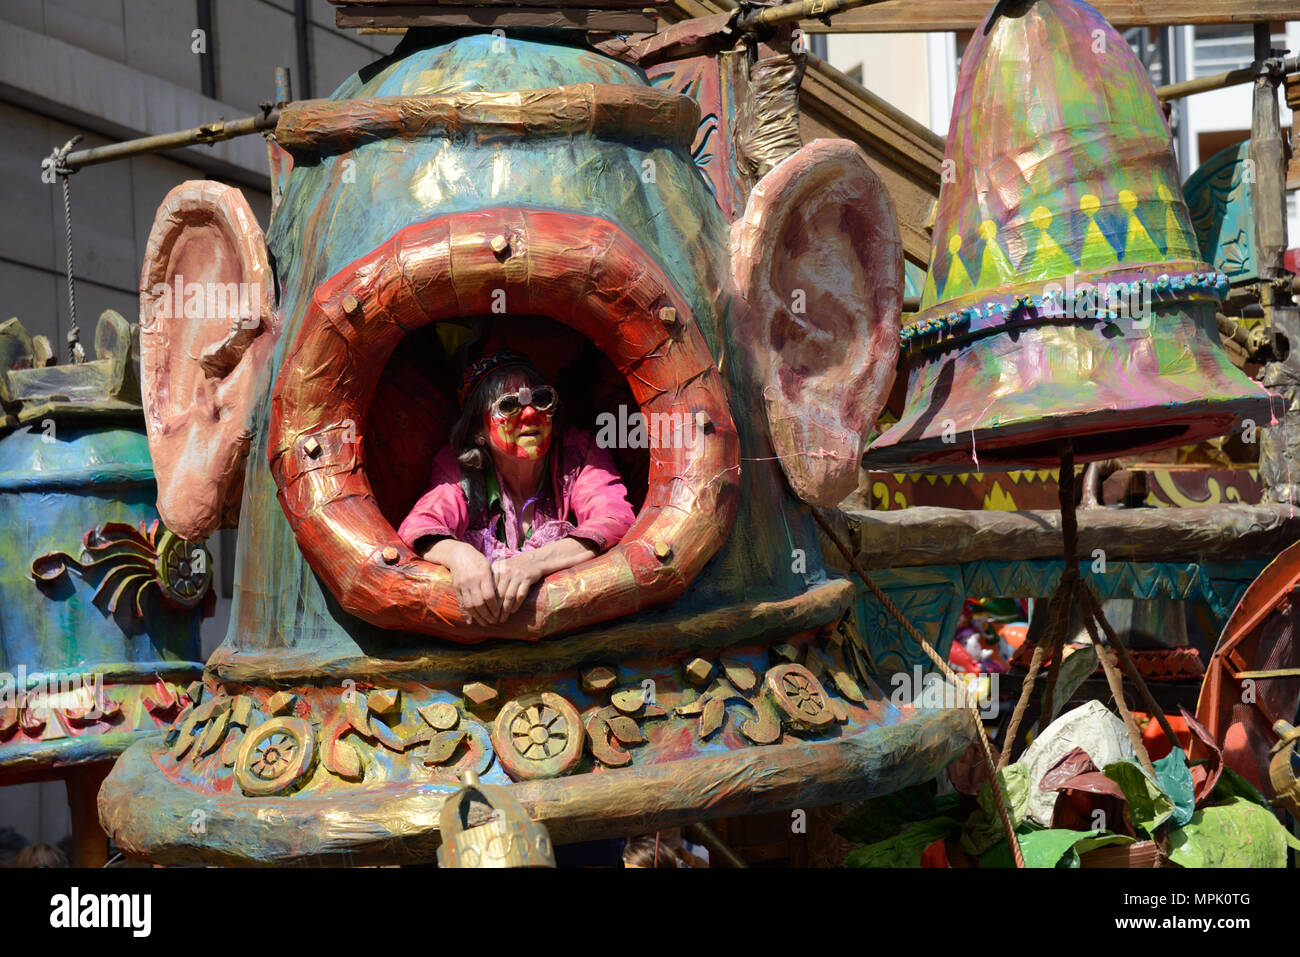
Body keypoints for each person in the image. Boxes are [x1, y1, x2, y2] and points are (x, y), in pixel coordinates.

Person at [398, 350, 635, 626]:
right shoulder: (457, 468)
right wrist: (458, 555)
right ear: (477, 430)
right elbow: (419, 526)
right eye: (509, 406)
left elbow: (615, 518)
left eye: (541, 399)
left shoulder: (581, 452)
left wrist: (532, 564)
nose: (530, 413)